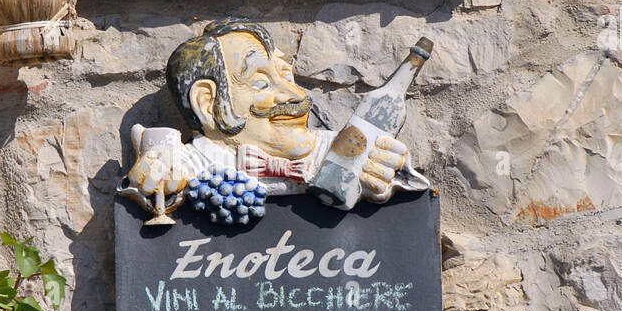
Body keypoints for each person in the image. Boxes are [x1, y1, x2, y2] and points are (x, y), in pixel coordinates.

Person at [123, 17, 429, 214]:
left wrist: (388, 170)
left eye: (287, 77)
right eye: (261, 82)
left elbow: (403, 184)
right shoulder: (187, 165)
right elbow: (151, 180)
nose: (297, 96)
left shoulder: (336, 149)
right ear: (207, 103)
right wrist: (158, 154)